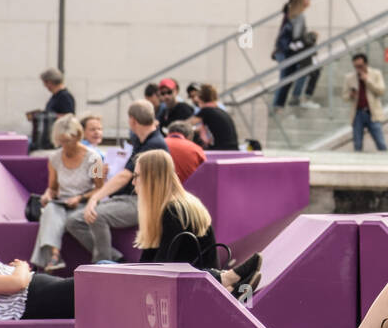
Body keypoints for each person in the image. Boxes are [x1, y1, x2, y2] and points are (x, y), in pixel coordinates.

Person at [132, 149, 261, 297]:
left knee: (105, 264)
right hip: (195, 277)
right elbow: (150, 260)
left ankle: (228, 280)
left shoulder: (173, 211)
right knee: (107, 264)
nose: (133, 182)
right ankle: (230, 285)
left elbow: (162, 265)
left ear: (151, 178)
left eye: (136, 176)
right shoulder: (178, 203)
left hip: (195, 288)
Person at [64, 100, 169, 261]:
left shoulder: (152, 143)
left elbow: (124, 176)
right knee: (74, 221)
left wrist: (94, 196)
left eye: (99, 129)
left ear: (132, 120)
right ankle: (115, 259)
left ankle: (104, 267)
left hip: (142, 201)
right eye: (93, 129)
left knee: (96, 215)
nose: (97, 132)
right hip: (121, 197)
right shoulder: (138, 142)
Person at [29, 115, 107, 272]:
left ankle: (45, 263)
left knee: (68, 218)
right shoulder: (55, 158)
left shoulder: (94, 158)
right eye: (61, 142)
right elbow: (53, 188)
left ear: (78, 136)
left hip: (85, 202)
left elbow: (100, 189)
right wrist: (47, 195)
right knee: (50, 210)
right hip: (61, 203)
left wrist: (80, 197)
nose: (64, 146)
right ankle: (55, 255)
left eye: (68, 141)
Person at [0, 256, 76, 319]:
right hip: (32, 297)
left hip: (34, 293)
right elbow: (18, 283)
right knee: (90, 288)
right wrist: (22, 266)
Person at [273, 0, 312, 111]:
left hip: (286, 51)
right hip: (287, 51)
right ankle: (281, 104)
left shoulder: (290, 15)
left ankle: (279, 105)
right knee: (289, 76)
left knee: (287, 77)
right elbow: (296, 36)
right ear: (301, 1)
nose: (309, 0)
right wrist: (310, 38)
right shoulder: (298, 16)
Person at [343, 52, 387, 151]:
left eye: (360, 66)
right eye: (355, 66)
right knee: (357, 144)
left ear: (366, 64)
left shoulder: (376, 74)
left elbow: (381, 91)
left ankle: (386, 164)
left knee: (381, 142)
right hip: (357, 114)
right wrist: (351, 95)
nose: (358, 69)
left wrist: (368, 81)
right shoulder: (349, 77)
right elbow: (344, 96)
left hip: (373, 113)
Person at [25, 68, 76, 150]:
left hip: (56, 138)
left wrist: (47, 116)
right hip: (49, 136)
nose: (45, 86)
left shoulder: (65, 96)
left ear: (49, 82)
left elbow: (69, 117)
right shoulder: (55, 96)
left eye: (45, 83)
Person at [190, 85, 239, 150]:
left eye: (196, 96)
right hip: (232, 148)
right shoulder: (219, 110)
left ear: (200, 98)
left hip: (221, 149)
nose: (195, 99)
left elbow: (186, 124)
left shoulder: (206, 110)